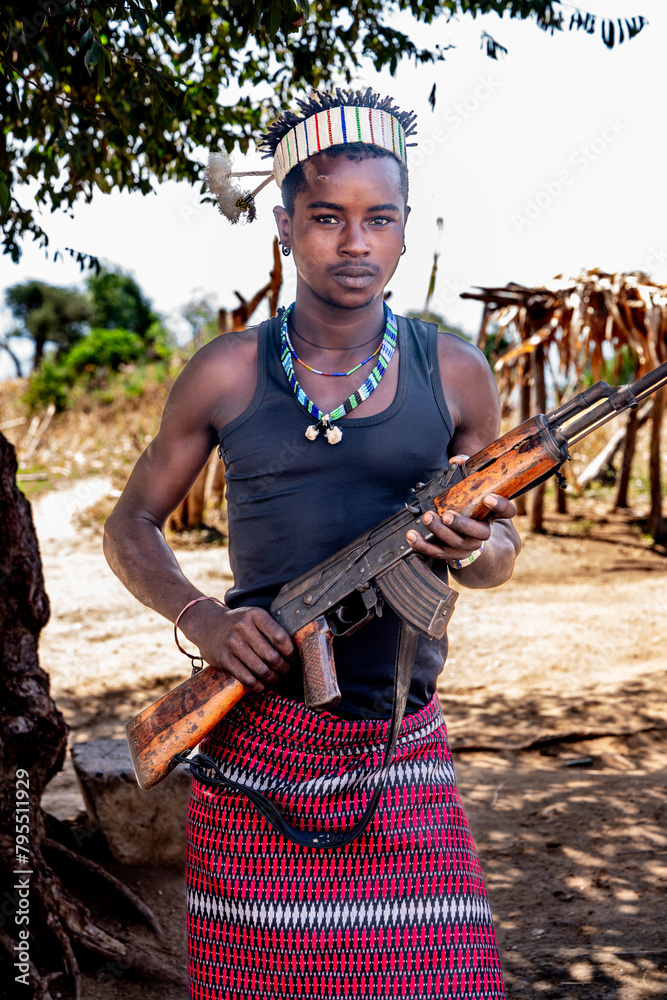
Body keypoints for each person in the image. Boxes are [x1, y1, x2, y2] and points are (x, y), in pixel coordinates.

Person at [104, 89, 521, 1000]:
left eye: (380, 219)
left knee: (443, 979)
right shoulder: (226, 370)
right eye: (327, 218)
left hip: (399, 753)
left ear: (405, 231)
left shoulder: (453, 371)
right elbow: (129, 523)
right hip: (256, 755)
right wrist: (202, 620)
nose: (355, 243)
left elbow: (499, 551)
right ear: (285, 228)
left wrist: (470, 547)